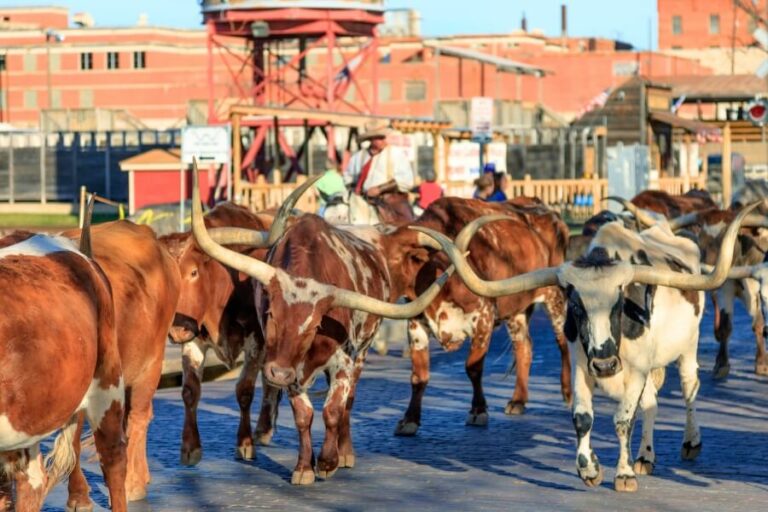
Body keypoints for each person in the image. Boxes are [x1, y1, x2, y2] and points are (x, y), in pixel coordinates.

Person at [344, 119, 415, 224]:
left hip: (390, 202)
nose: (383, 140)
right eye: (379, 138)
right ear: (371, 139)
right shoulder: (358, 157)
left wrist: (379, 189)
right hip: (363, 201)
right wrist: (358, 190)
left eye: (383, 137)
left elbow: (407, 181)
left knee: (406, 228)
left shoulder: (396, 154)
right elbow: (348, 178)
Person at [315, 159, 349, 224]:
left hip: (325, 206)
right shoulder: (340, 177)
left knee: (319, 225)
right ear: (335, 167)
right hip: (340, 206)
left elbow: (316, 192)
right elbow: (345, 191)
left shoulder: (321, 178)